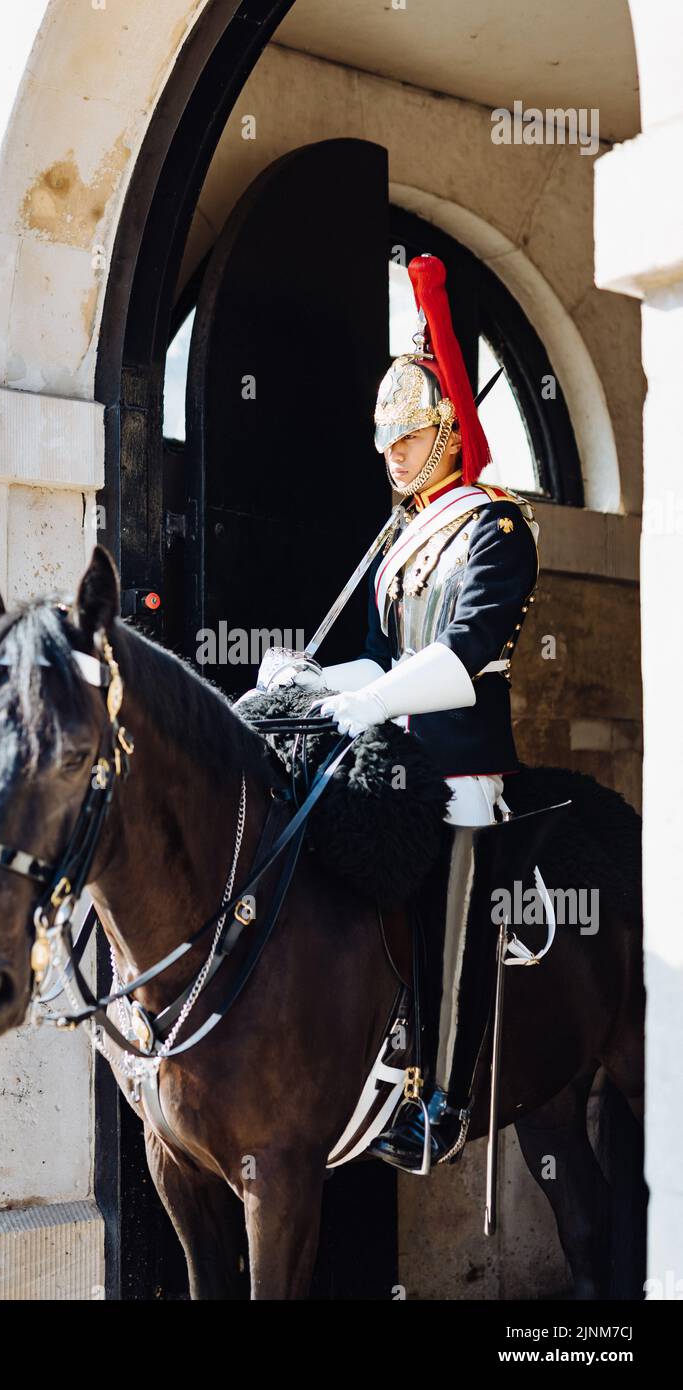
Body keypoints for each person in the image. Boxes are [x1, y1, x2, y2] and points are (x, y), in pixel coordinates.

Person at [261, 253, 543, 1172]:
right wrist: (306, 683)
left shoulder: (494, 530)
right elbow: (379, 661)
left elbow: (459, 660)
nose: (391, 455)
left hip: (460, 768)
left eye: (408, 439)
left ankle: (441, 1098)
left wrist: (369, 700)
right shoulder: (399, 542)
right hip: (392, 760)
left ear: (449, 434)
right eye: (384, 442)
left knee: (444, 919)